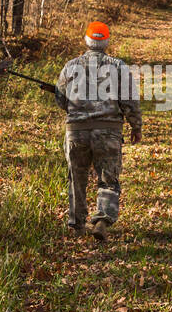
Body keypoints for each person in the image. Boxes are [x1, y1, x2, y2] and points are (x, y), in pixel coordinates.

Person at [55, 21, 141, 240]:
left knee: (77, 177)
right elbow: (130, 100)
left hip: (76, 132)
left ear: (87, 40)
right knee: (108, 178)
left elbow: (60, 98)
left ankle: (77, 224)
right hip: (109, 132)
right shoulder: (119, 67)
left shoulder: (71, 66)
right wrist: (135, 126)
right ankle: (102, 219)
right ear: (106, 41)